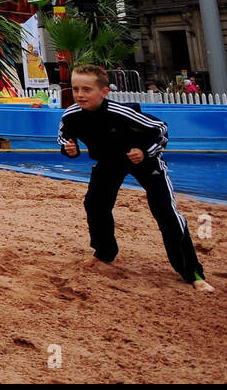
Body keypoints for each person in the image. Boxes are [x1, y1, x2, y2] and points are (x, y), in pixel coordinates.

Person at [58, 64, 212, 291]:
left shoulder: (123, 113)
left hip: (145, 162)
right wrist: (69, 148)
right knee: (95, 204)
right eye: (75, 89)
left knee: (166, 212)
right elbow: (63, 135)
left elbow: (161, 130)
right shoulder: (72, 115)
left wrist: (145, 151)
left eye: (87, 89)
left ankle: (192, 272)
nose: (80, 94)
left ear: (104, 92)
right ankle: (104, 254)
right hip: (109, 163)